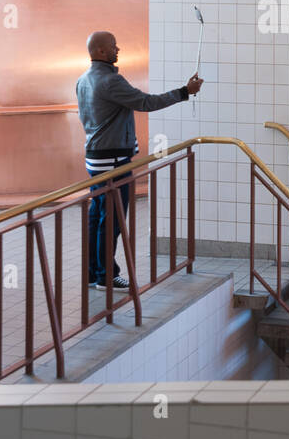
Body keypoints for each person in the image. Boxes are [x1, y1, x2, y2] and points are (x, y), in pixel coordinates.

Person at [77, 31, 203, 289]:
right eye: (113, 46)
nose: (118, 49)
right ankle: (106, 276)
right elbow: (145, 103)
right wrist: (184, 92)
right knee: (111, 219)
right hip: (113, 159)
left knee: (97, 214)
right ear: (100, 51)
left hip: (95, 157)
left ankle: (92, 273)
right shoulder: (110, 81)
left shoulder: (83, 79)